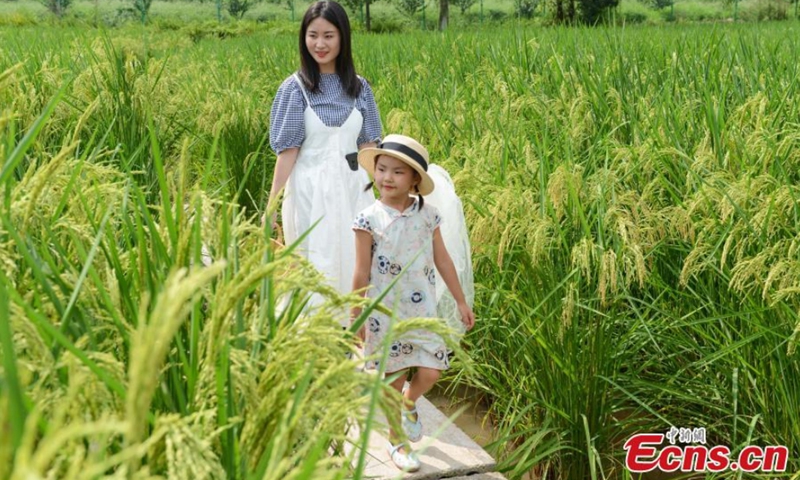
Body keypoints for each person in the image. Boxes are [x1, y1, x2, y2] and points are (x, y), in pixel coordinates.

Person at [350, 134, 476, 472]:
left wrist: (461, 301)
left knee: (431, 371)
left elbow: (443, 260)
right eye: (382, 169)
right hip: (385, 312)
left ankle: (409, 403)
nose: (387, 178)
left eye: (398, 172)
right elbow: (360, 271)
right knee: (392, 378)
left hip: (422, 310)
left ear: (415, 180)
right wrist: (356, 315)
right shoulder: (367, 220)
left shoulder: (428, 215)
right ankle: (397, 441)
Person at [267, 0, 381, 317]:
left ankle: (356, 332)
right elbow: (287, 152)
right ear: (303, 38)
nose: (320, 44)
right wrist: (271, 205)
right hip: (308, 192)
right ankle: (314, 335)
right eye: (313, 35)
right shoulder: (294, 89)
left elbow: (369, 145)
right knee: (314, 263)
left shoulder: (360, 88)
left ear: (343, 37)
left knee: (358, 259)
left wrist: (386, 196)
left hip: (354, 188)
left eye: (328, 36)